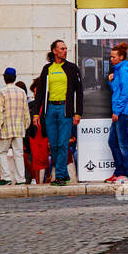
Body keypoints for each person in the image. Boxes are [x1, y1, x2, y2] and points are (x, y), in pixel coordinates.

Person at [31, 40, 83, 187]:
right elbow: (40, 93)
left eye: (66, 48)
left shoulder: (72, 68)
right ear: (54, 51)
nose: (65, 51)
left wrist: (78, 113)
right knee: (53, 144)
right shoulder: (47, 69)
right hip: (50, 109)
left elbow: (79, 92)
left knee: (62, 143)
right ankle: (64, 174)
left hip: (65, 109)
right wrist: (36, 114)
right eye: (62, 48)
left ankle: (59, 175)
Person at [106, 43, 128, 184]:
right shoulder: (119, 70)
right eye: (111, 56)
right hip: (119, 111)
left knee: (123, 144)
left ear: (121, 57)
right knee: (113, 142)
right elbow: (117, 90)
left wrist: (117, 111)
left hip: (123, 112)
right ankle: (119, 172)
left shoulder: (123, 70)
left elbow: (125, 93)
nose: (111, 59)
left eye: (113, 57)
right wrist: (111, 81)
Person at [0, 68, 30, 185]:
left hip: (6, 128)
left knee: (1, 152)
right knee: (18, 153)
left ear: (4, 78)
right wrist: (25, 125)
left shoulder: (1, 92)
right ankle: (21, 179)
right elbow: (26, 112)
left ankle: (6, 177)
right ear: (15, 78)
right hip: (19, 127)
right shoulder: (22, 92)